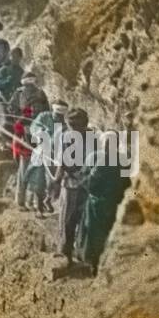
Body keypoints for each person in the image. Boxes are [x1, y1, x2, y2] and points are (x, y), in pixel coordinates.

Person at [80, 129, 130, 275]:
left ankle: (96, 264)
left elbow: (89, 183)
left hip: (100, 203)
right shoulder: (122, 159)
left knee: (96, 234)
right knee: (106, 233)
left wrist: (84, 178)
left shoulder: (101, 160)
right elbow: (126, 182)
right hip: (113, 202)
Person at [53, 107, 90, 262]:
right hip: (83, 185)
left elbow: (62, 164)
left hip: (73, 186)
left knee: (68, 219)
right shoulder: (92, 136)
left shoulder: (66, 137)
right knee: (81, 220)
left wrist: (55, 181)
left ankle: (67, 252)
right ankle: (76, 252)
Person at [0, 46, 24, 132]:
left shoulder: (21, 72)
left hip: (15, 102)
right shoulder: (3, 70)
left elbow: (22, 88)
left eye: (17, 57)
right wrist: (6, 81)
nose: (15, 59)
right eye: (13, 56)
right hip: (4, 100)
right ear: (10, 57)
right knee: (5, 122)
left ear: (20, 58)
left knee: (15, 123)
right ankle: (2, 142)